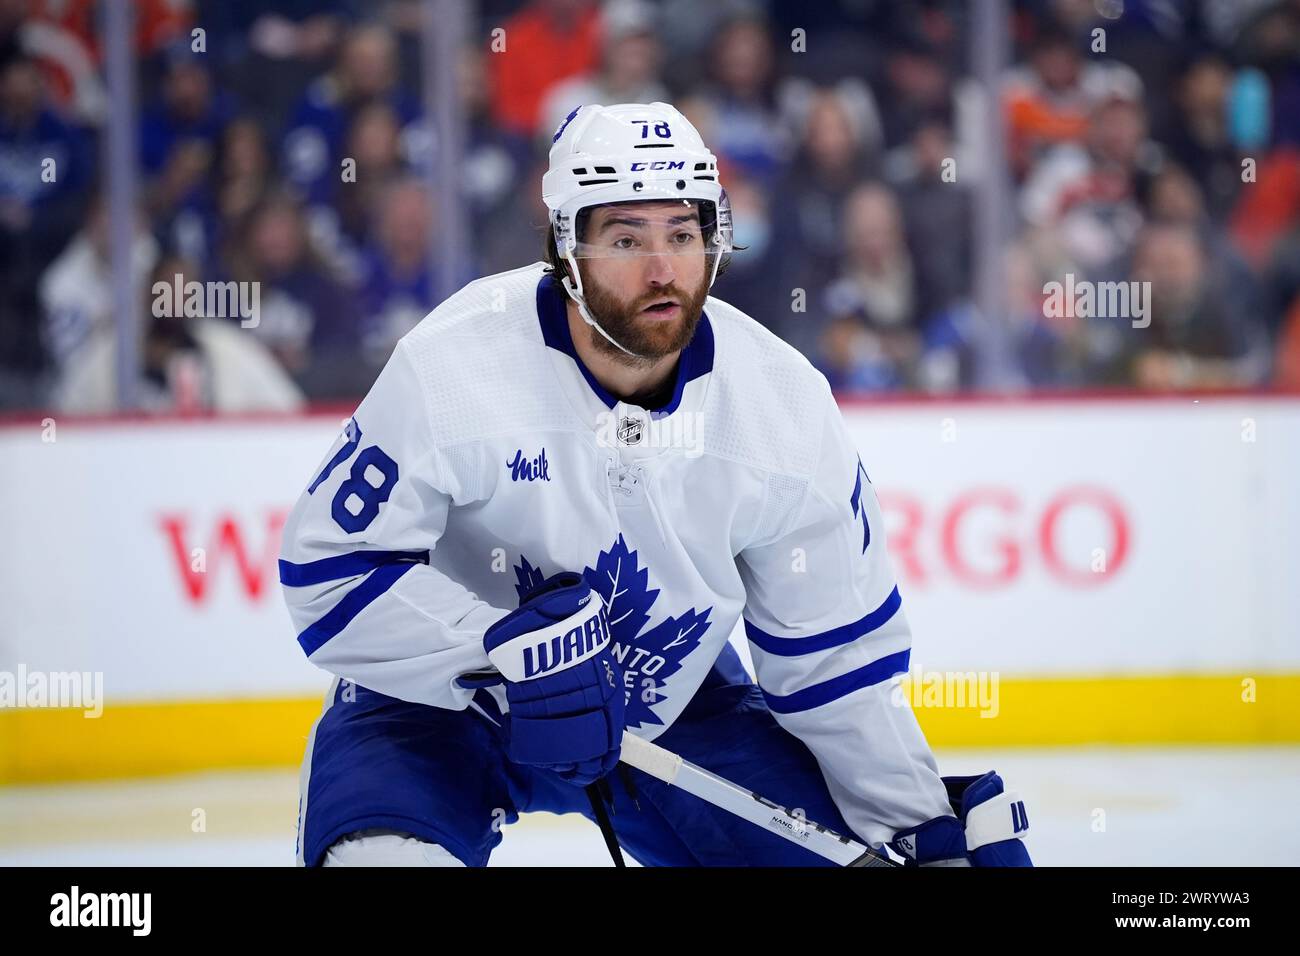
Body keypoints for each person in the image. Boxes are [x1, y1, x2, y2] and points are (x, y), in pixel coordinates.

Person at [279, 102, 1032, 868]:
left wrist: (920, 832)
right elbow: (325, 570)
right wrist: (496, 647)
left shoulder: (781, 408)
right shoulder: (454, 365)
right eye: (627, 239)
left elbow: (836, 664)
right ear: (564, 248)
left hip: (669, 704)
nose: (663, 269)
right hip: (439, 705)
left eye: (683, 234)